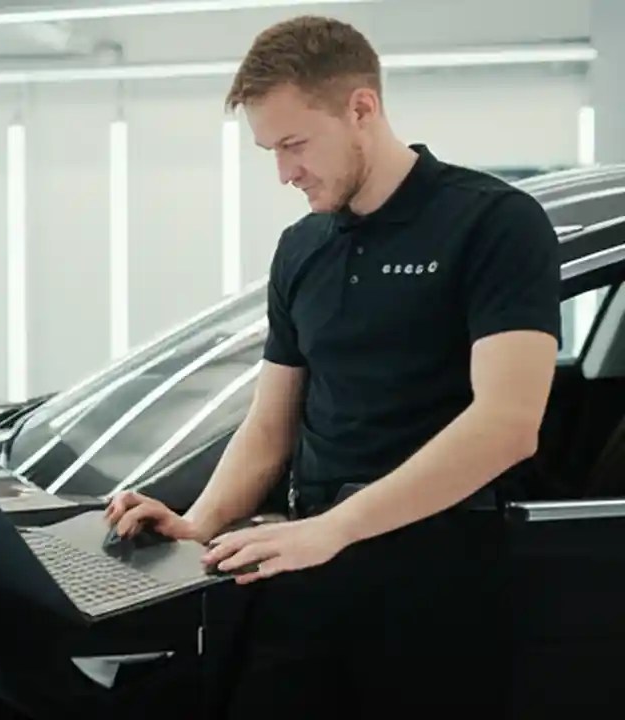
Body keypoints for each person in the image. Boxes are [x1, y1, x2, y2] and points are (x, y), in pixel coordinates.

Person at [104, 14, 561, 720]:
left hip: (439, 578)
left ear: (361, 109)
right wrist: (199, 523)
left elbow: (506, 424)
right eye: (270, 151)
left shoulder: (494, 222)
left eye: (294, 144)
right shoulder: (301, 247)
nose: (285, 172)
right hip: (305, 561)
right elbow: (269, 426)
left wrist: (338, 526)